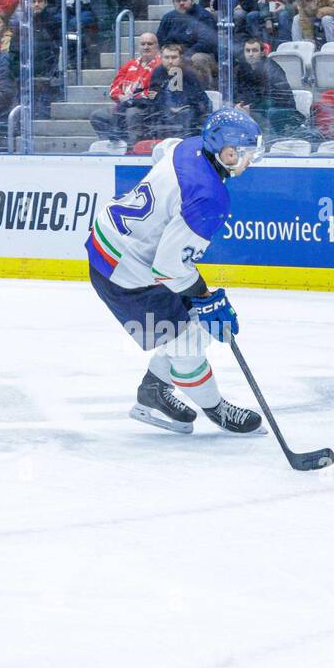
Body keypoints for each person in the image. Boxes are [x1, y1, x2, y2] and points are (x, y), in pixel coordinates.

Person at [87, 107, 266, 435]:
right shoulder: (210, 198)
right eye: (241, 153)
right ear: (222, 152)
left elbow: (160, 152)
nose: (247, 160)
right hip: (124, 274)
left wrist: (204, 301)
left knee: (191, 327)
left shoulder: (189, 145)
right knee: (186, 346)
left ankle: (153, 390)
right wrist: (207, 298)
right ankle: (216, 409)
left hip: (119, 246)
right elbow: (169, 269)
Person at [90, 31, 161, 144]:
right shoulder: (130, 65)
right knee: (97, 115)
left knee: (131, 113)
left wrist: (131, 99)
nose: (146, 47)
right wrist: (121, 96)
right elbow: (114, 88)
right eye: (143, 44)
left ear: (157, 46)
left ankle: (131, 148)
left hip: (144, 108)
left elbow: (154, 92)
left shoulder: (160, 66)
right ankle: (113, 145)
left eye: (150, 44)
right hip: (122, 104)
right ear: (139, 46)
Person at [233, 35, 303, 136]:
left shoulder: (272, 69)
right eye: (247, 51)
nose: (251, 54)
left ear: (262, 52)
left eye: (254, 50)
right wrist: (240, 104)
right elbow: (239, 90)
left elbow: (278, 98)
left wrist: (252, 107)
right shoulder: (242, 69)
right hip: (255, 109)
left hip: (278, 111)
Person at [157, 0, 218, 88]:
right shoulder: (168, 18)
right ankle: (168, 96)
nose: (181, 3)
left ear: (192, 0)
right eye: (178, 1)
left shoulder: (203, 16)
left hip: (203, 55)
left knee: (197, 59)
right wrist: (171, 54)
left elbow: (207, 43)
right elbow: (160, 40)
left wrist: (184, 55)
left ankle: (205, 92)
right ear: (173, 3)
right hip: (175, 54)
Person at [146, 42, 211, 139]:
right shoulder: (157, 72)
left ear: (180, 58)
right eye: (166, 57)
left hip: (187, 113)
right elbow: (153, 97)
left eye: (174, 57)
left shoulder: (190, 73)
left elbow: (200, 99)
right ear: (161, 58)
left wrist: (182, 106)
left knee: (184, 114)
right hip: (164, 112)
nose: (170, 61)